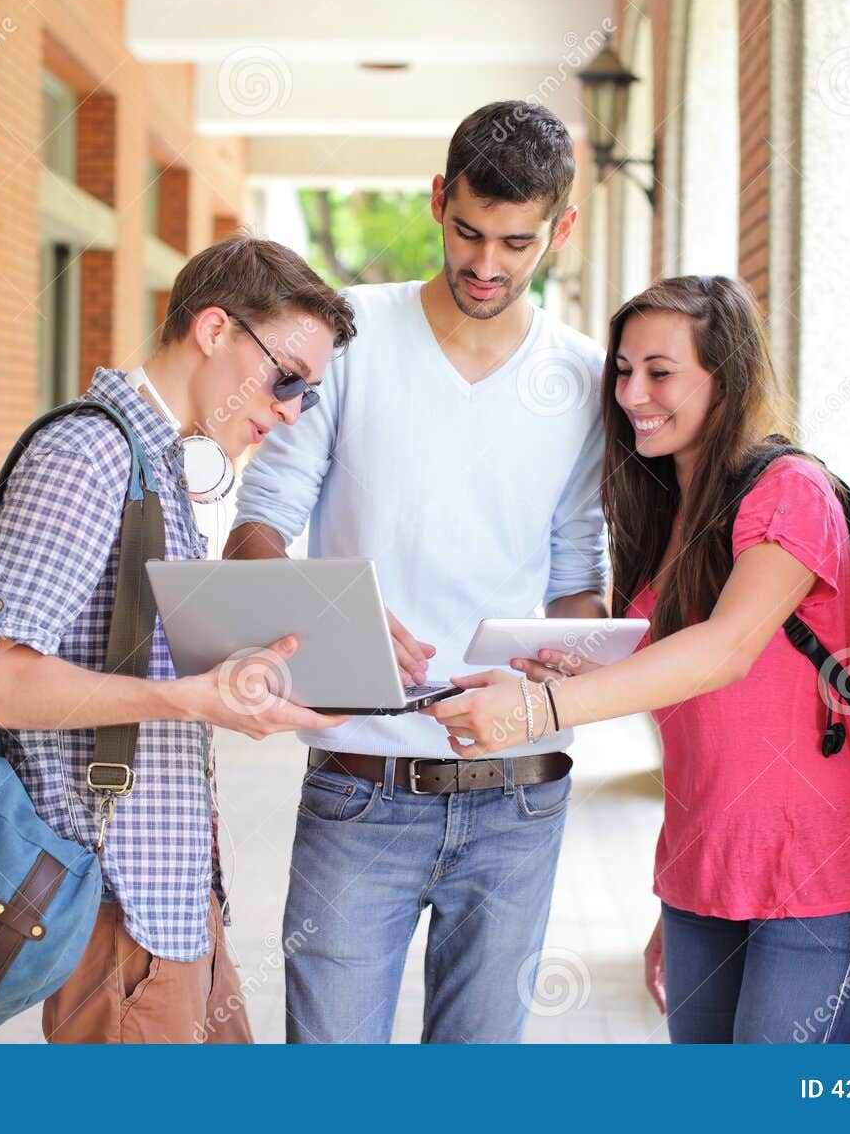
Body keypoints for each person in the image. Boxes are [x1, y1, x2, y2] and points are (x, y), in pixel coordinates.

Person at [428, 275, 850, 1044]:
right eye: (623, 370)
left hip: (817, 877)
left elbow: (726, 649)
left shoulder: (791, 489)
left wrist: (537, 710)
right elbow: (695, 707)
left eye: (660, 371)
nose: (631, 393)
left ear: (726, 378)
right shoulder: (661, 513)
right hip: (702, 882)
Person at [225, 101, 608, 1044]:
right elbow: (256, 530)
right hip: (361, 784)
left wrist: (572, 656)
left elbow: (577, 575)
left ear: (561, 228)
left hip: (520, 792)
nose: (486, 265)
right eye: (468, 231)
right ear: (439, 199)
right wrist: (324, 613)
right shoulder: (351, 339)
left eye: (516, 243)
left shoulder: (583, 378)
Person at [0, 236, 356, 1044]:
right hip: (118, 911)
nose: (291, 411)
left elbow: (112, 648)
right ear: (214, 329)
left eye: (309, 396)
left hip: (173, 903)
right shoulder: (86, 456)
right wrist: (187, 698)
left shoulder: (155, 460)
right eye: (287, 379)